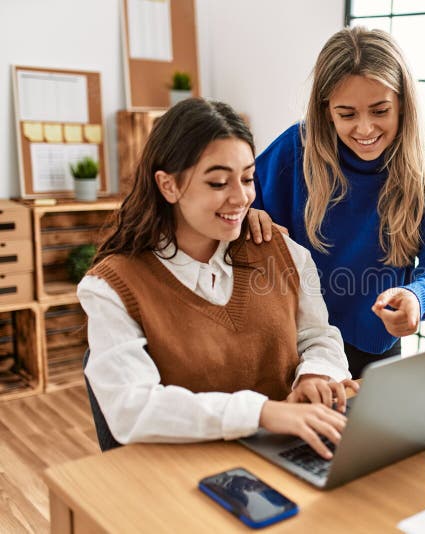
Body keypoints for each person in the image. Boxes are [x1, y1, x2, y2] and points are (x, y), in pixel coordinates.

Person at [78, 98, 356, 459]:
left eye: (247, 178)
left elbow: (318, 336)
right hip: (185, 475)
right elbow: (131, 408)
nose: (241, 198)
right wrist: (262, 413)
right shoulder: (111, 288)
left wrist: (316, 374)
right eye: (218, 182)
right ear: (168, 186)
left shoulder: (283, 252)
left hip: (289, 454)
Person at [248, 27, 425, 378]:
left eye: (380, 111)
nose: (364, 129)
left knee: (371, 432)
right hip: (294, 337)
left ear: (403, 104)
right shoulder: (295, 150)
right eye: (347, 114)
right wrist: (250, 219)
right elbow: (238, 205)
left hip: (374, 343)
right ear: (326, 110)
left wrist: (416, 297)